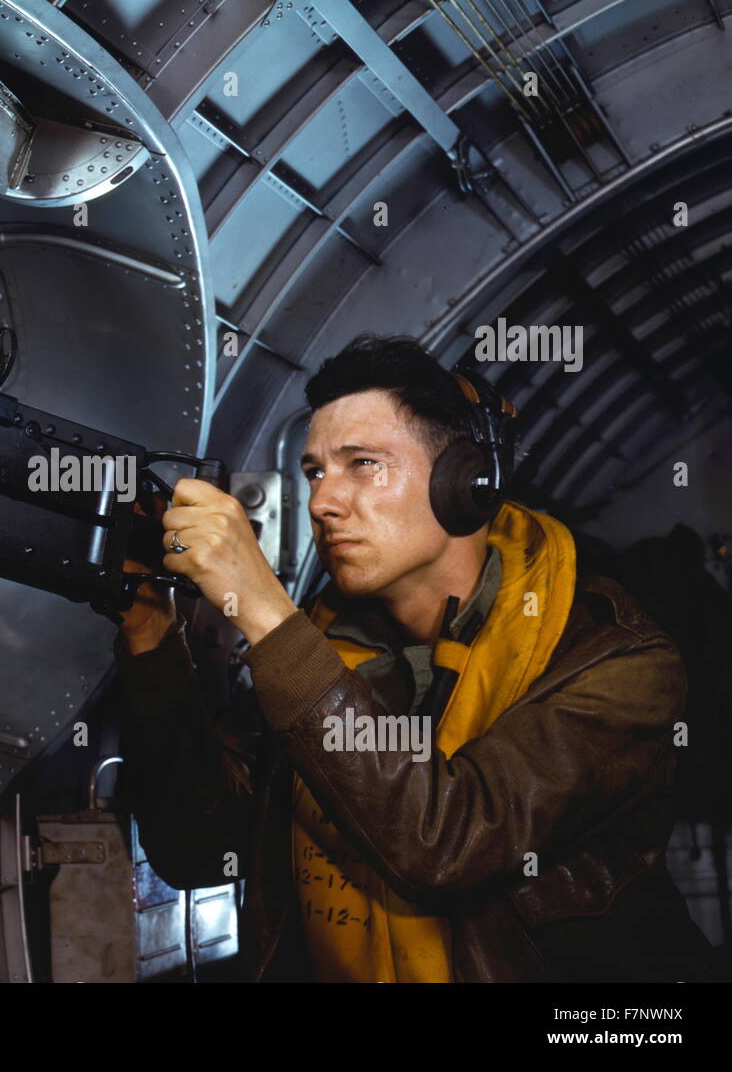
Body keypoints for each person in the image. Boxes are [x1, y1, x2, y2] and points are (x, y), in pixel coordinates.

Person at [113, 336, 718, 982]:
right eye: (315, 470)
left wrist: (265, 613)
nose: (323, 500)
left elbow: (448, 844)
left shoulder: (616, 663)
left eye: (364, 463)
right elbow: (197, 845)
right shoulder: (321, 653)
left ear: (468, 480)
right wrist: (151, 628)